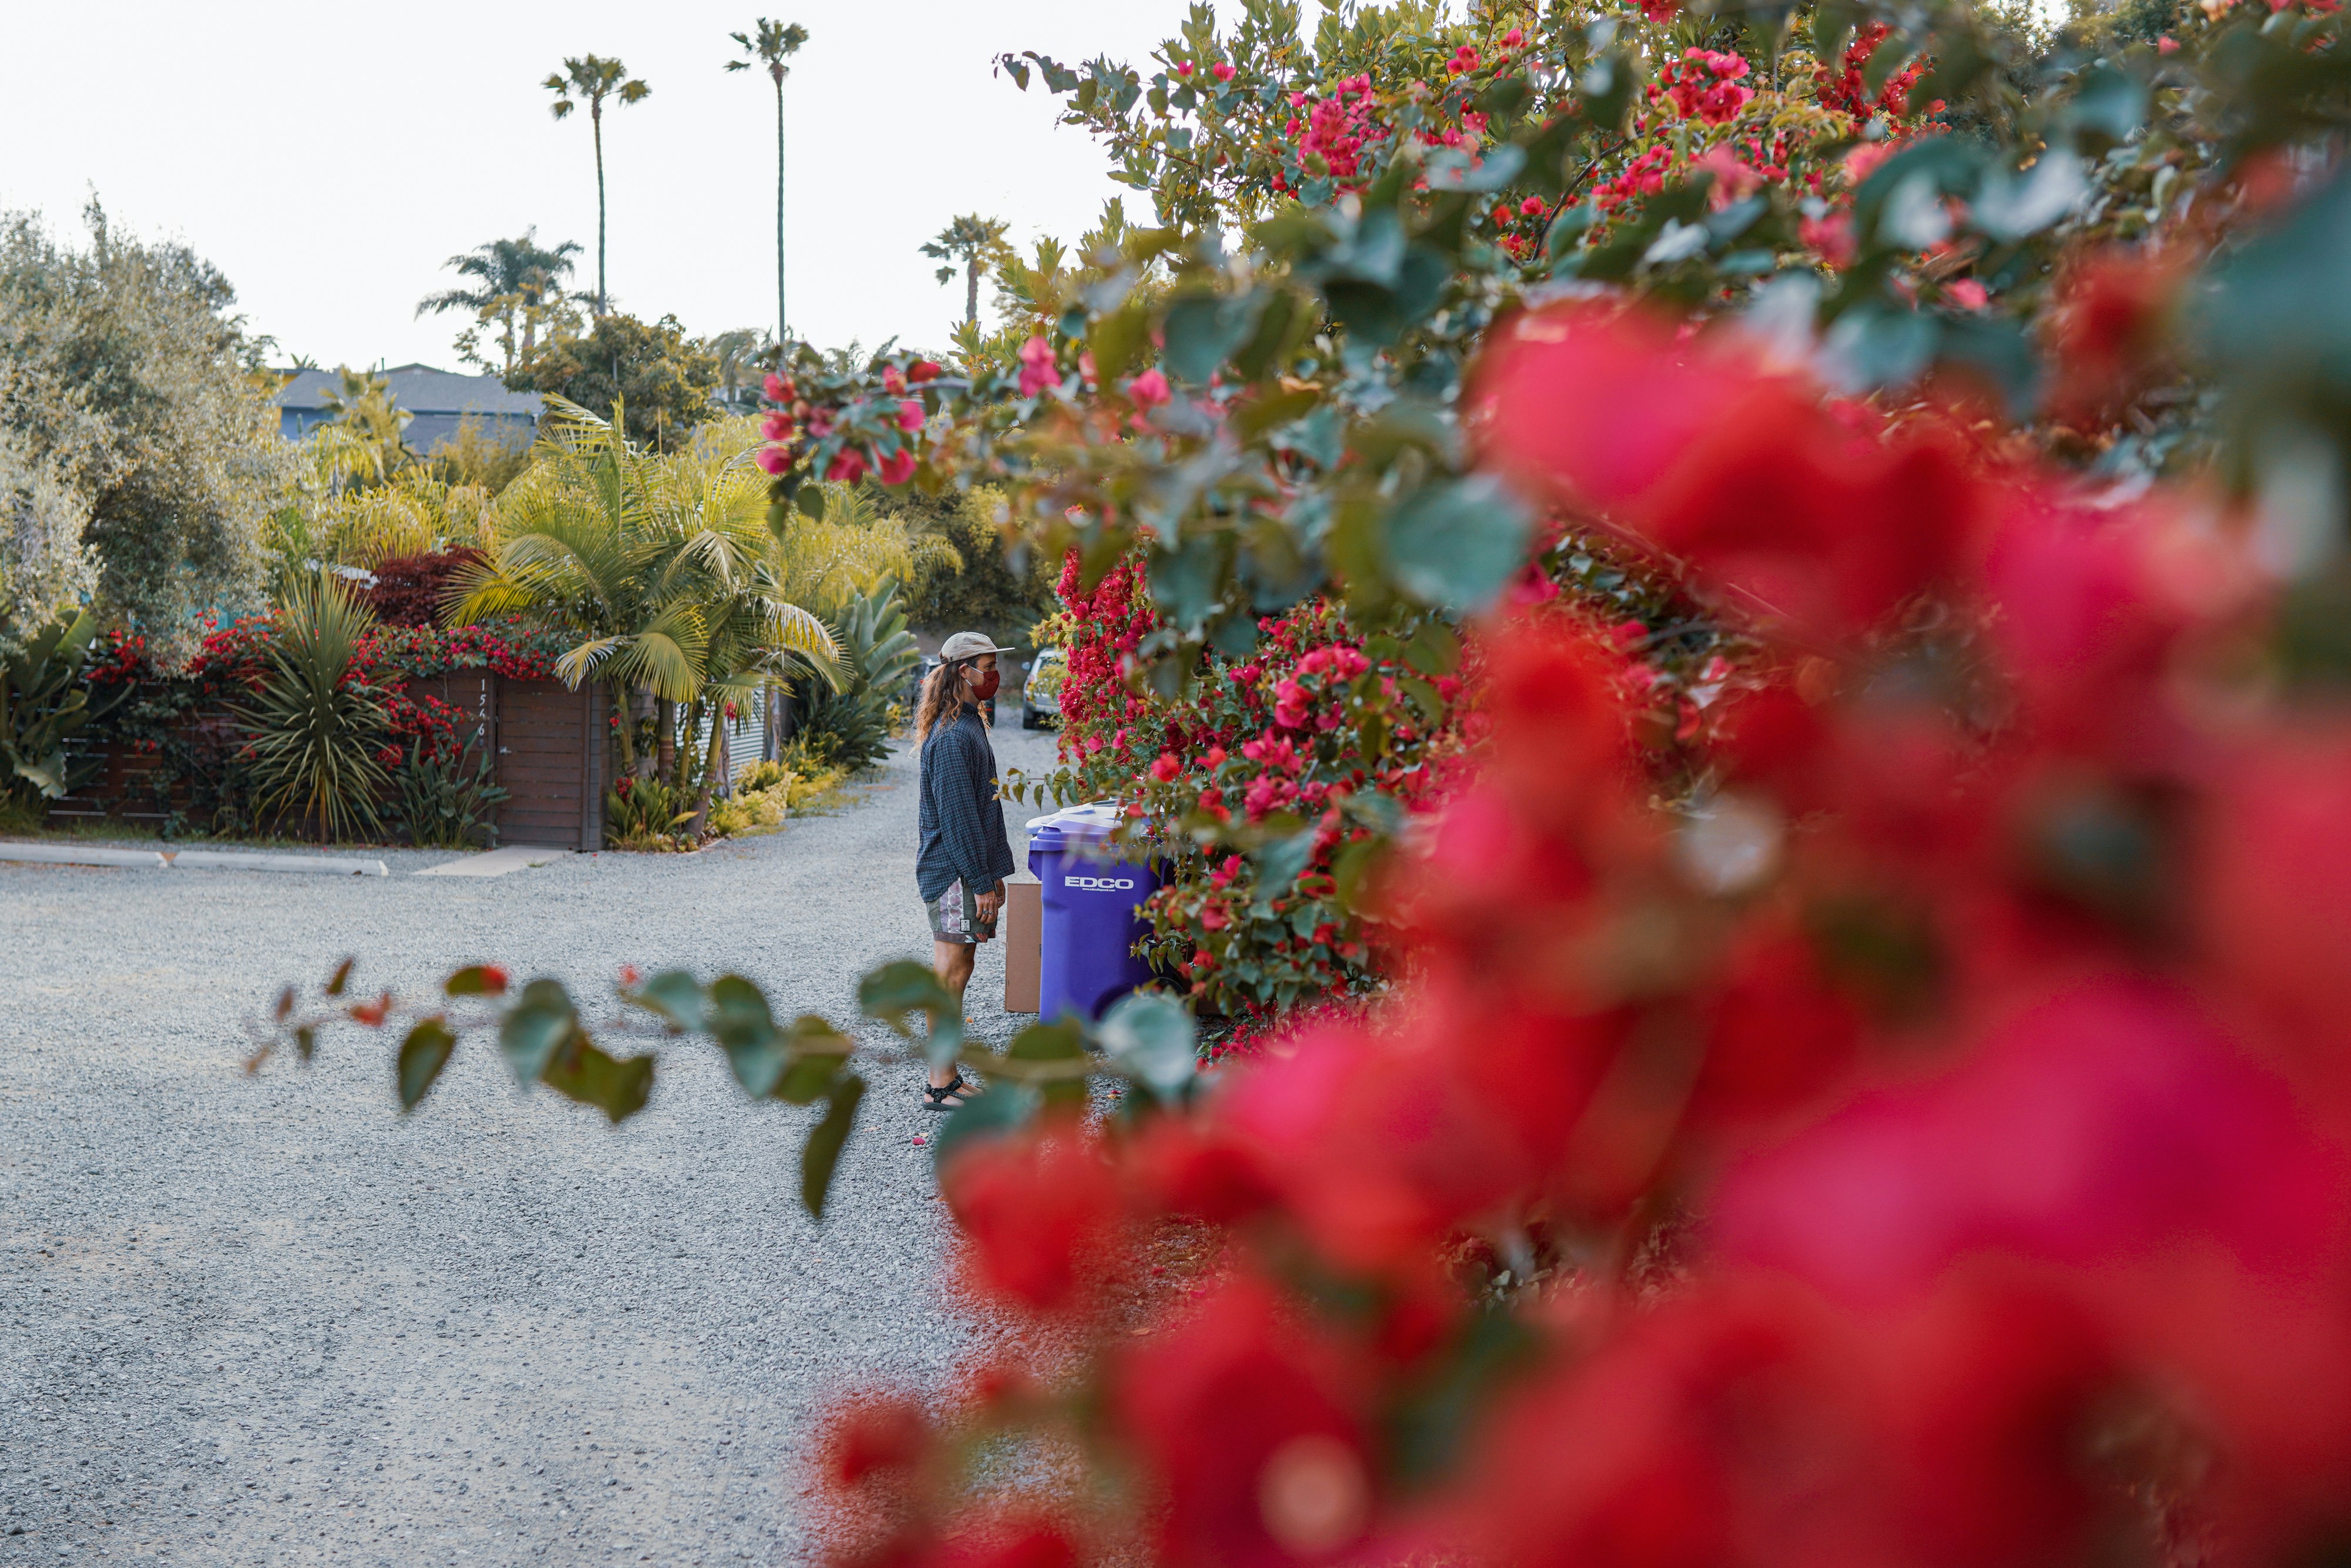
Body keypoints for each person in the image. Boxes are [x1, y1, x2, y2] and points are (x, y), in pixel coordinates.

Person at [913, 631, 1019, 1109]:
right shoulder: (955, 736)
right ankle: (940, 1082)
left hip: (963, 871)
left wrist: (994, 872)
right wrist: (981, 882)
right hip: (954, 874)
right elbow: (959, 819)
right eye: (986, 666)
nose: (994, 676)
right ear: (962, 672)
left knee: (958, 969)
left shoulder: (966, 722)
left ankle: (948, 1077)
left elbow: (981, 811)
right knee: (951, 974)